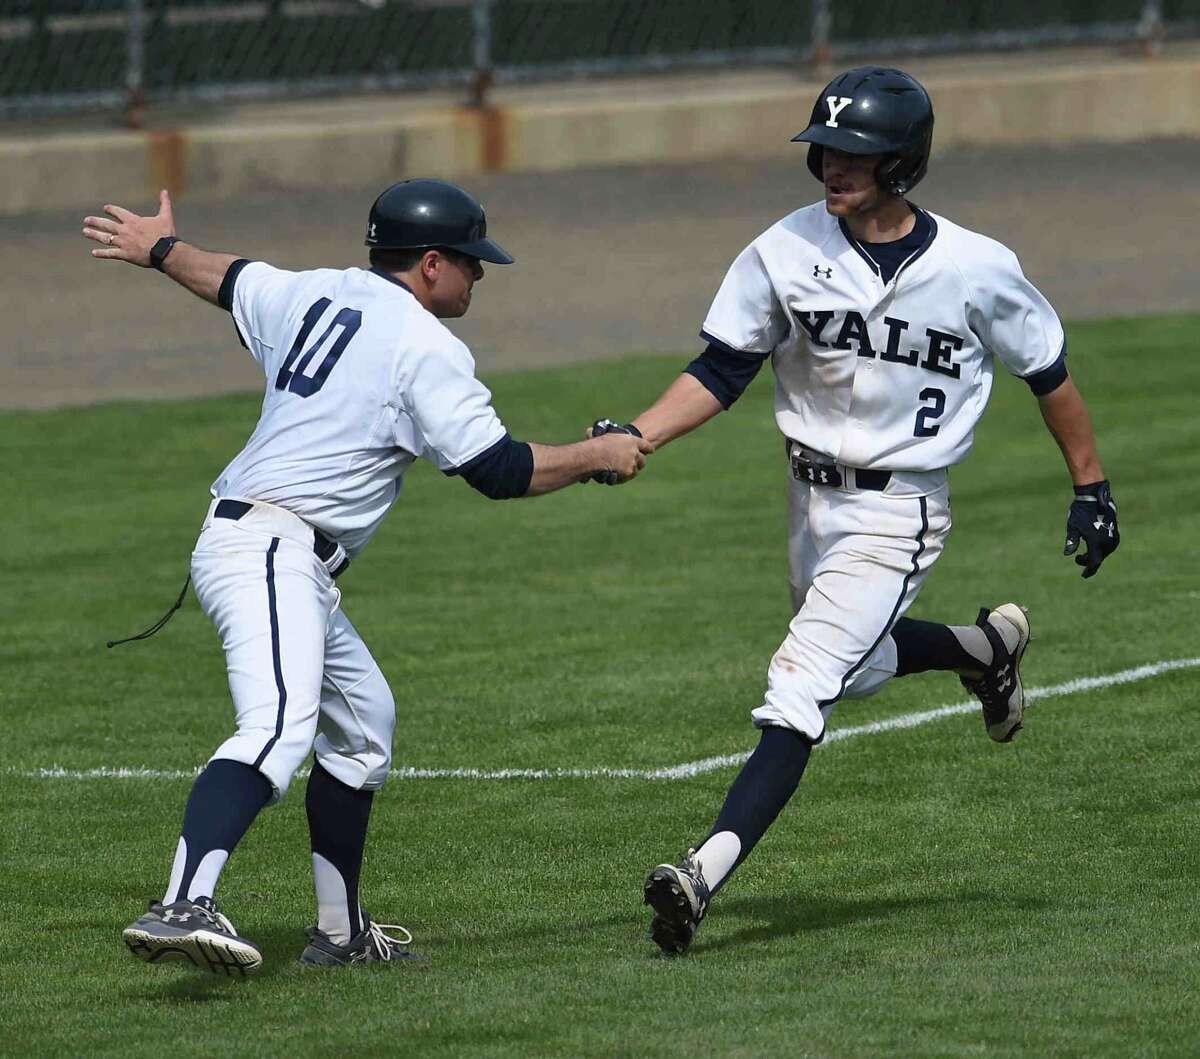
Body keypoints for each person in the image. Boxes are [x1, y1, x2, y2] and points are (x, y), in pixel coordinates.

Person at [588, 66, 1120, 956]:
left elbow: (1049, 373)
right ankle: (987, 650)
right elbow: (722, 368)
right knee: (858, 666)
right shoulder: (783, 250)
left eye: (855, 153)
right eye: (825, 149)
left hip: (900, 510)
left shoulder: (977, 267)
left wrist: (1092, 489)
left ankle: (700, 873)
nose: (832, 164)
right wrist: (639, 434)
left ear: (900, 163)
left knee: (800, 684)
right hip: (808, 501)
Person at [83, 178, 652, 975]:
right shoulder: (424, 346)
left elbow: (229, 277)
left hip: (269, 547)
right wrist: (598, 454)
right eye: (470, 261)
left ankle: (341, 933)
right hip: (271, 549)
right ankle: (182, 903)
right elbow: (496, 469)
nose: (478, 275)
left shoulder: (312, 292)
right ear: (430, 264)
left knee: (362, 725)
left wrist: (161, 250)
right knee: (276, 727)